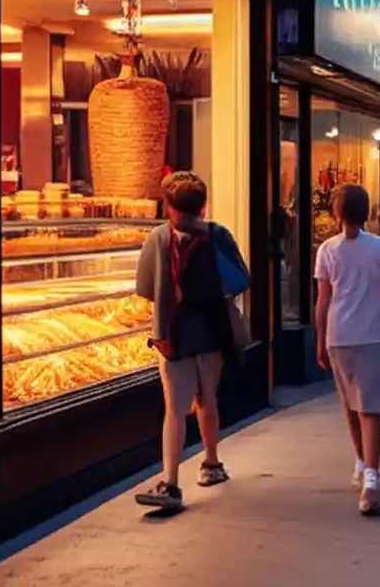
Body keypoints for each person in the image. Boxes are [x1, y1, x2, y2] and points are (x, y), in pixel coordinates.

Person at [134, 171, 248, 513]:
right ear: (203, 206)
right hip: (213, 331)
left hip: (173, 334)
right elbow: (239, 280)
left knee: (174, 408)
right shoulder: (218, 235)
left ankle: (170, 482)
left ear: (168, 206)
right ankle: (211, 463)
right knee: (207, 398)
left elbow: (145, 288)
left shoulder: (158, 238)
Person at [314, 184, 380, 516]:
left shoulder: (327, 250)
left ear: (337, 213)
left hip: (340, 334)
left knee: (350, 404)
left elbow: (323, 301)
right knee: (369, 409)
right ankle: (371, 477)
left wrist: (319, 338)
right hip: (375, 334)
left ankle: (362, 463)